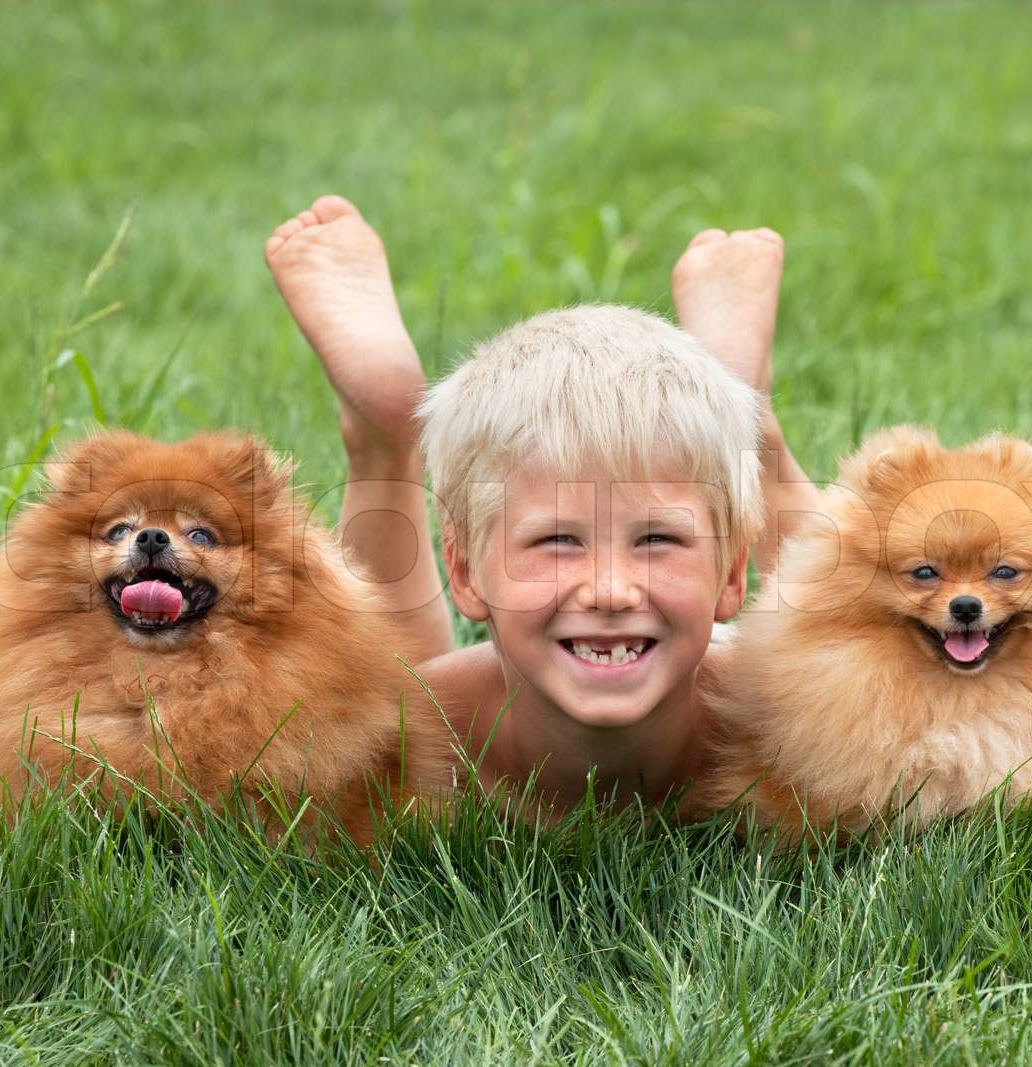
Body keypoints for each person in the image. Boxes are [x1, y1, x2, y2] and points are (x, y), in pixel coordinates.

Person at [264, 196, 819, 812]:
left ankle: (753, 428)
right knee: (377, 708)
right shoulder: (429, 729)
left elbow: (863, 604)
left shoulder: (784, 721)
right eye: (558, 541)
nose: (610, 591)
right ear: (467, 574)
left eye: (657, 540)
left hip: (764, 689)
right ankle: (386, 440)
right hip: (437, 725)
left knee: (832, 644)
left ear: (734, 575)